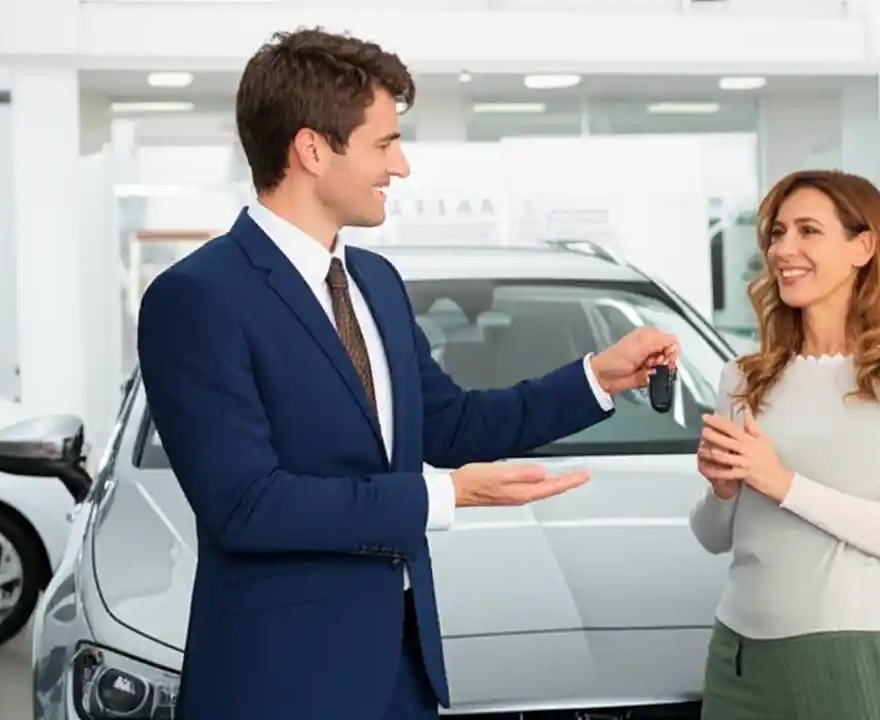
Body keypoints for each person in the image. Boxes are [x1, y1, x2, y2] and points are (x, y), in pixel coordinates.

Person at [135, 27, 680, 720]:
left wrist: (596, 377)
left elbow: (448, 424)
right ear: (312, 149)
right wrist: (441, 496)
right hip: (279, 683)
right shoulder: (198, 297)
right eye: (385, 144)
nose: (401, 167)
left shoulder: (376, 282)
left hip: (400, 675)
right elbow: (246, 506)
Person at [689, 169, 880, 719]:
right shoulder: (742, 378)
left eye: (808, 231)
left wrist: (781, 482)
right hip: (738, 658)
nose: (785, 249)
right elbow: (712, 536)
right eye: (778, 233)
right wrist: (724, 492)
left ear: (862, 247)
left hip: (849, 658)